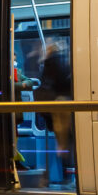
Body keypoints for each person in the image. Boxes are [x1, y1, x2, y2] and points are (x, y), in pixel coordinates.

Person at [32, 43, 74, 176]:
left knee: (62, 142)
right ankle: (66, 173)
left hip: (57, 105)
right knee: (67, 140)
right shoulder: (62, 62)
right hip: (65, 103)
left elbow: (47, 83)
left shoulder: (49, 63)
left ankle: (61, 173)